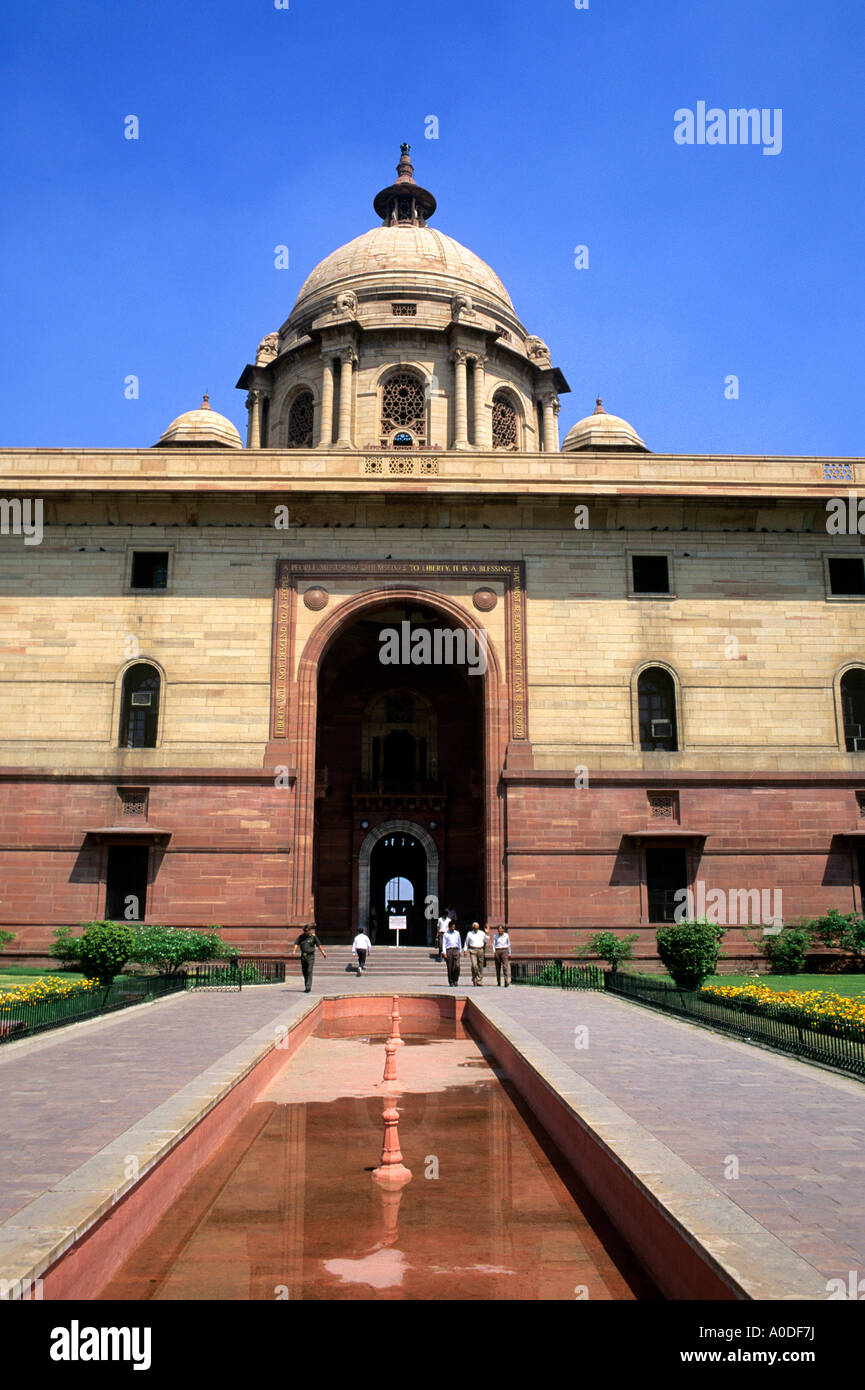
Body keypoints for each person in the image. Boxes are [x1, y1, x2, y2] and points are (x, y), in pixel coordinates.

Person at [291, 925, 327, 993]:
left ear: (309, 930)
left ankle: (308, 987)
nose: (306, 932)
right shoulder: (301, 937)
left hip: (310, 956)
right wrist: (294, 951)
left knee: (309, 971)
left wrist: (323, 952)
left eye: (307, 931)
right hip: (303, 956)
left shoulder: (313, 937)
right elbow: (296, 943)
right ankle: (306, 986)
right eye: (305, 931)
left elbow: (318, 945)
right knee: (304, 972)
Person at [465, 922, 489, 986]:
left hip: (480, 949)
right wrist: (465, 950)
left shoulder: (482, 933)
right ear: (473, 928)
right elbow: (466, 942)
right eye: (474, 928)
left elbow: (486, 941)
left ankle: (479, 981)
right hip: (472, 950)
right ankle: (475, 978)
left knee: (480, 966)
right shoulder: (469, 933)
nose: (476, 929)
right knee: (474, 965)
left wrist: (487, 933)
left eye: (477, 928)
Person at [442, 920, 462, 986]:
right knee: (450, 967)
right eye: (452, 927)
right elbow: (444, 944)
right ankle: (451, 981)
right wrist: (444, 953)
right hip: (449, 950)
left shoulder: (457, 933)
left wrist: (460, 950)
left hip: (456, 950)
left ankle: (456, 980)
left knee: (457, 966)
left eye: (454, 927)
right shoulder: (446, 934)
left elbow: (459, 942)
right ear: (449, 927)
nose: (453, 928)